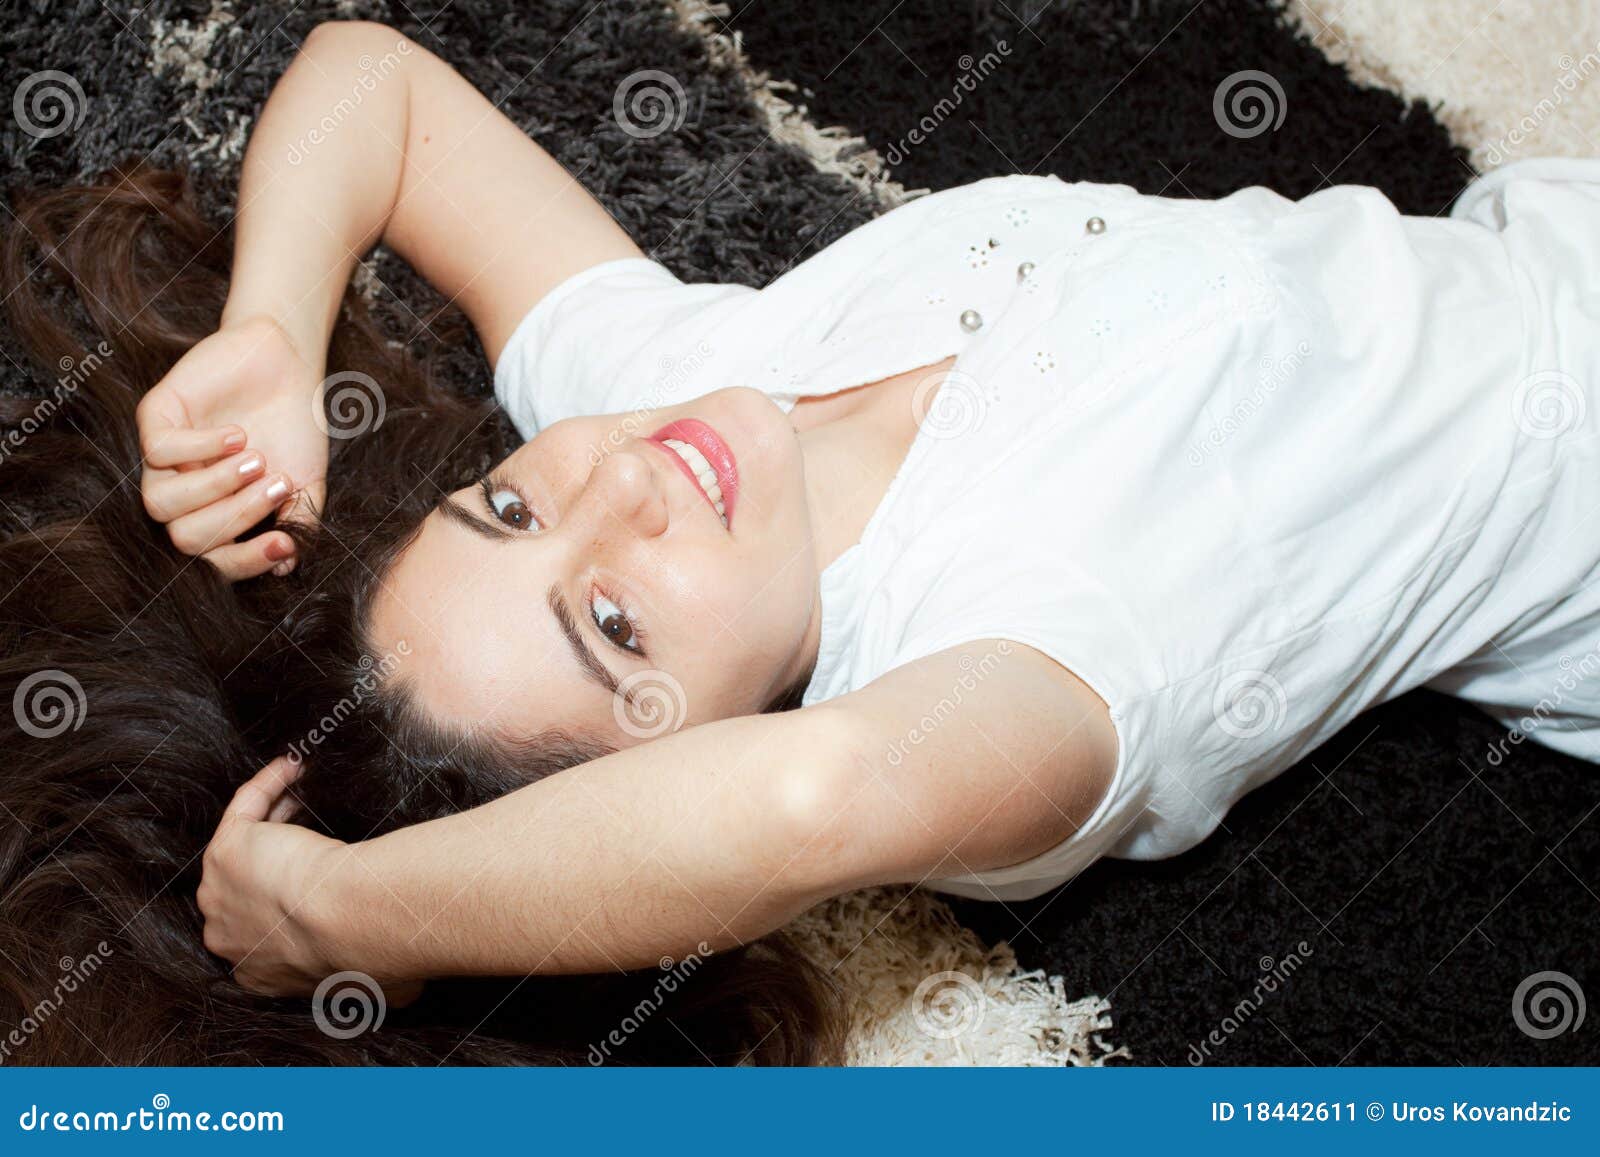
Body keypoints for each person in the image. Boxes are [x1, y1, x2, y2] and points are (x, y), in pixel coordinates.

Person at [129, 22, 1600, 1000]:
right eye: (615, 622)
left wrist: (270, 333)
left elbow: (371, 87)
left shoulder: (682, 397)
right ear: (674, 775)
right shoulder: (1013, 671)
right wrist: (341, 914)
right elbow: (800, 807)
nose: (615, 486)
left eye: (506, 503)